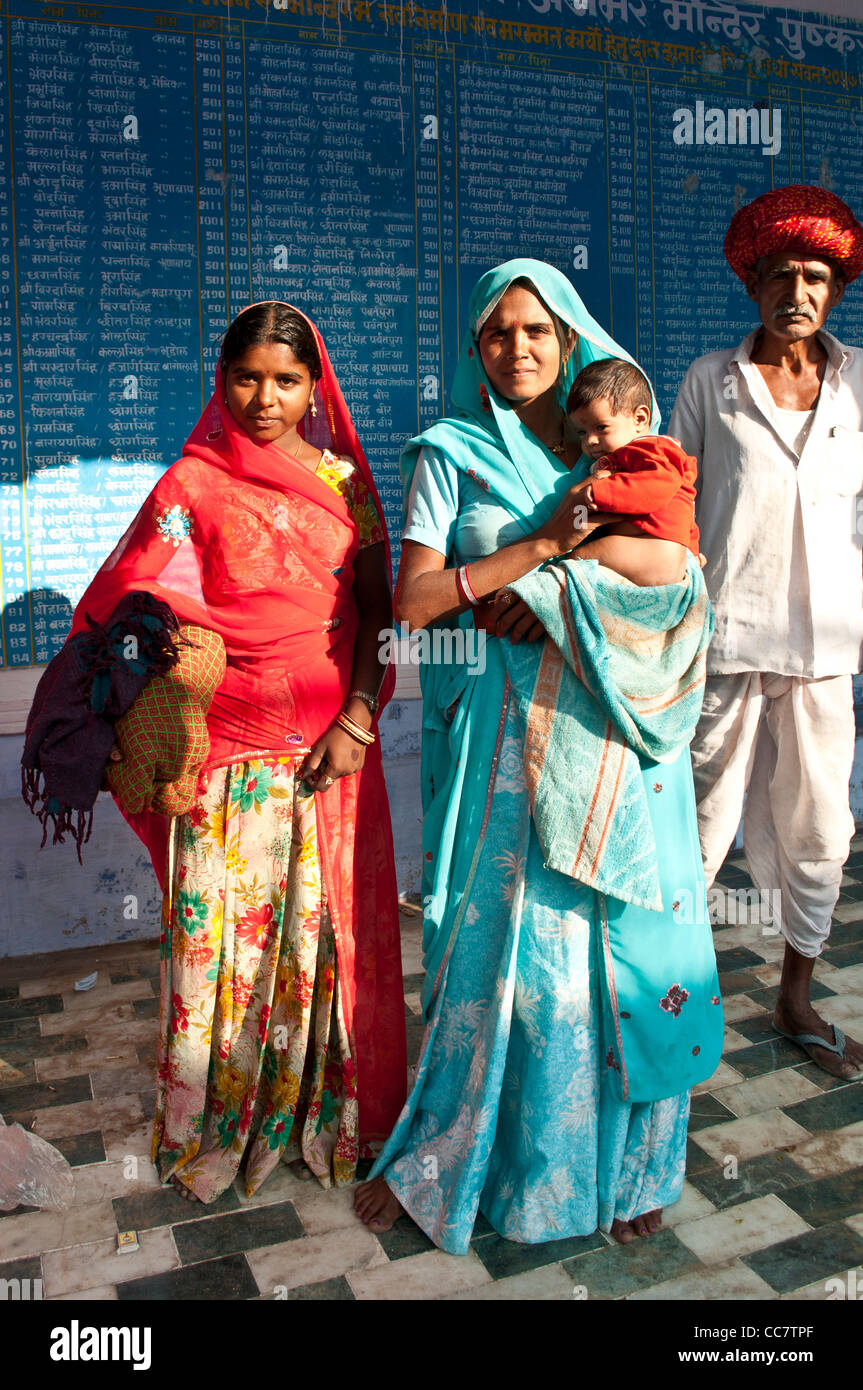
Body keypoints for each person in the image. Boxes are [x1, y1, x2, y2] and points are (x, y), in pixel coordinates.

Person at [354, 259, 722, 1252]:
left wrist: (566, 589)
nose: (515, 350)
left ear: (569, 341)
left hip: (612, 737)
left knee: (618, 952)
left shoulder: (623, 448)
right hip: (499, 754)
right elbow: (417, 602)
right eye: (494, 333)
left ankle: (634, 1165)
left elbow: (680, 577)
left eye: (534, 332)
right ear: (472, 348)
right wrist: (535, 554)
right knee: (504, 953)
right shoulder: (451, 450)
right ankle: (465, 1152)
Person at [64, 301, 407, 1200]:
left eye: (285, 380)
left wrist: (358, 722)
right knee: (214, 948)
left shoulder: (342, 482)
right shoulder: (192, 483)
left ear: (313, 386)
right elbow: (134, 602)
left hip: (329, 750)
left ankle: (313, 1115)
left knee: (314, 948)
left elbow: (378, 613)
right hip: (218, 759)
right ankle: (213, 1123)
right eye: (245, 378)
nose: (264, 397)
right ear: (221, 382)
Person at [669, 184, 863, 1081]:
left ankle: (794, 996)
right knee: (698, 827)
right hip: (726, 642)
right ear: (751, 283)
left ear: (836, 288)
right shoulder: (710, 380)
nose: (798, 289)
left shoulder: (859, 379)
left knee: (817, 827)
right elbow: (670, 511)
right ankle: (667, 1003)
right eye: (781, 272)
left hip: (826, 652)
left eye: (816, 275)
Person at [566, 357, 700, 586]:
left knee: (574, 562)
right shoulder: (643, 455)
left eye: (601, 427)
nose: (591, 440)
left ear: (640, 419)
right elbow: (686, 512)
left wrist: (602, 492)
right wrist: (694, 553)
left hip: (654, 549)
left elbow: (658, 487)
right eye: (581, 433)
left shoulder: (652, 449)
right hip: (661, 556)